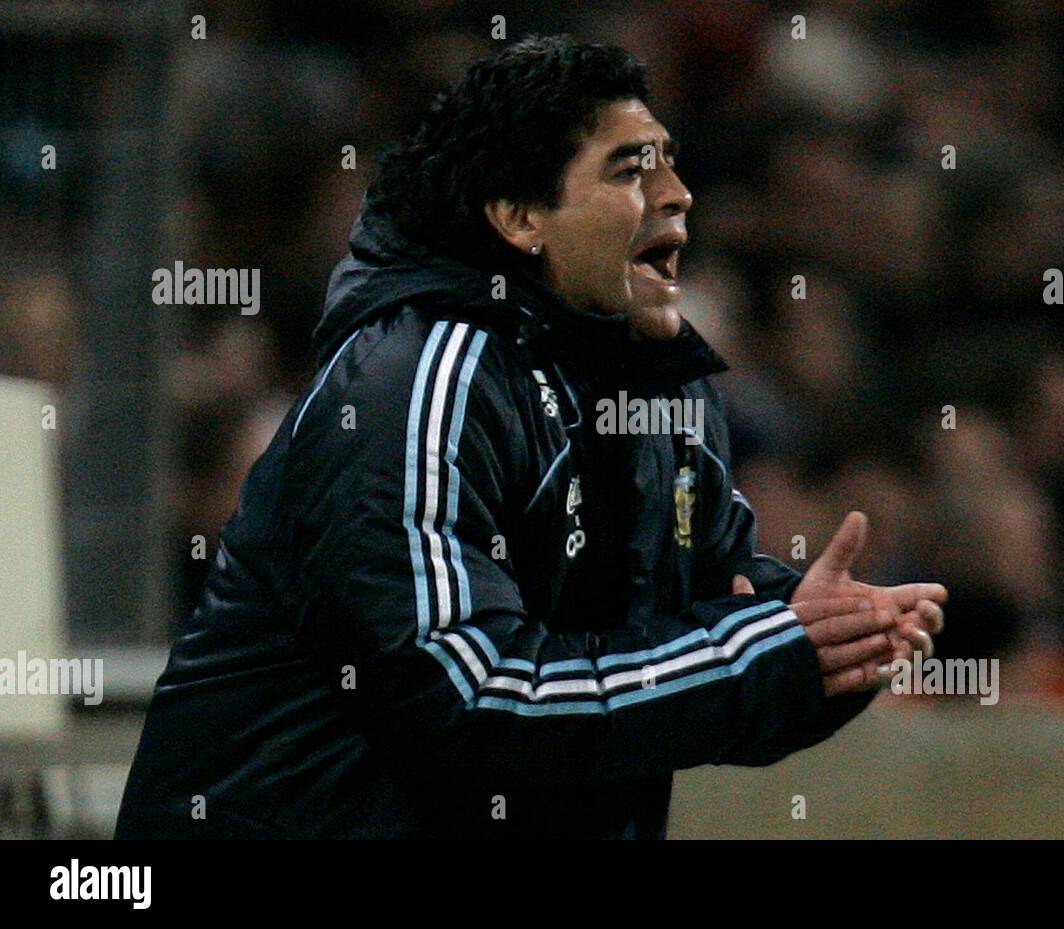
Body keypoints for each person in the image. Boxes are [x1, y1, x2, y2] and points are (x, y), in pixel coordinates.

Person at [116, 35, 946, 840]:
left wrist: (819, 644)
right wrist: (761, 650)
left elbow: (699, 638)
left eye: (671, 160)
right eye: (632, 169)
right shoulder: (419, 378)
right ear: (519, 216)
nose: (679, 193)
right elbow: (466, 692)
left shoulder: (666, 385)